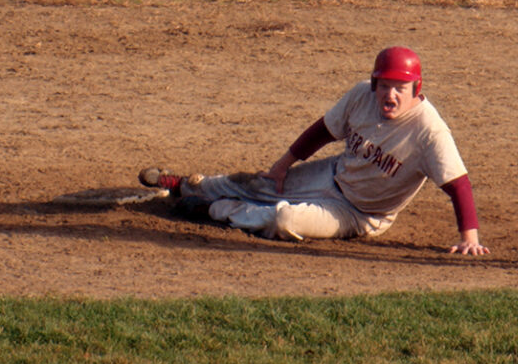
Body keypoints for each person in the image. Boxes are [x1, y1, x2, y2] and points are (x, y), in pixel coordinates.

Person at [139, 47, 489, 255]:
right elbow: (324, 130)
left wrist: (469, 238)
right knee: (258, 184)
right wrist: (282, 166)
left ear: (416, 88)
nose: (390, 95)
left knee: (286, 219)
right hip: (330, 174)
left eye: (400, 88)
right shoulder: (360, 96)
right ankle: (187, 185)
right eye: (385, 86)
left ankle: (217, 210)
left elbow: (458, 184)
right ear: (374, 84)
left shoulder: (429, 131)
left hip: (360, 213)